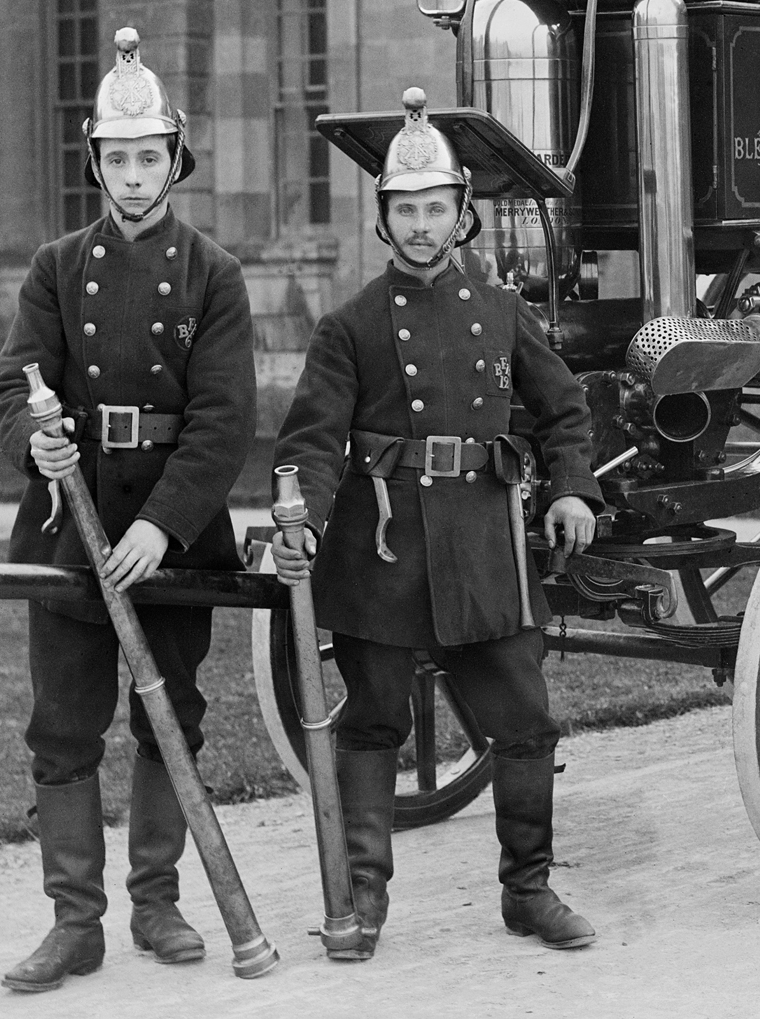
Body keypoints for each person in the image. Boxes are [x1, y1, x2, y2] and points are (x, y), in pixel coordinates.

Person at [271, 86, 602, 956]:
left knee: (525, 723)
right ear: (383, 221)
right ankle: (364, 897)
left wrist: (571, 487)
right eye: (405, 210)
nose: (420, 225)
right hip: (382, 548)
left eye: (435, 208)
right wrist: (298, 518)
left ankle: (527, 892)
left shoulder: (500, 312)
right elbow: (310, 440)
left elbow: (562, 408)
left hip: (483, 545)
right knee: (374, 722)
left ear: (461, 216)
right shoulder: (349, 327)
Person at [0, 28, 256, 994]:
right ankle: (75, 922)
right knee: (63, 727)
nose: (134, 176)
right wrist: (37, 443)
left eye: (150, 158)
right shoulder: (57, 268)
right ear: (94, 161)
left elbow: (226, 422)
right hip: (70, 533)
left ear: (174, 159)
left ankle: (156, 902)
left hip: (168, 541)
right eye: (117, 159)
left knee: (169, 718)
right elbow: (12, 389)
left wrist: (162, 525)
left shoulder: (214, 276)